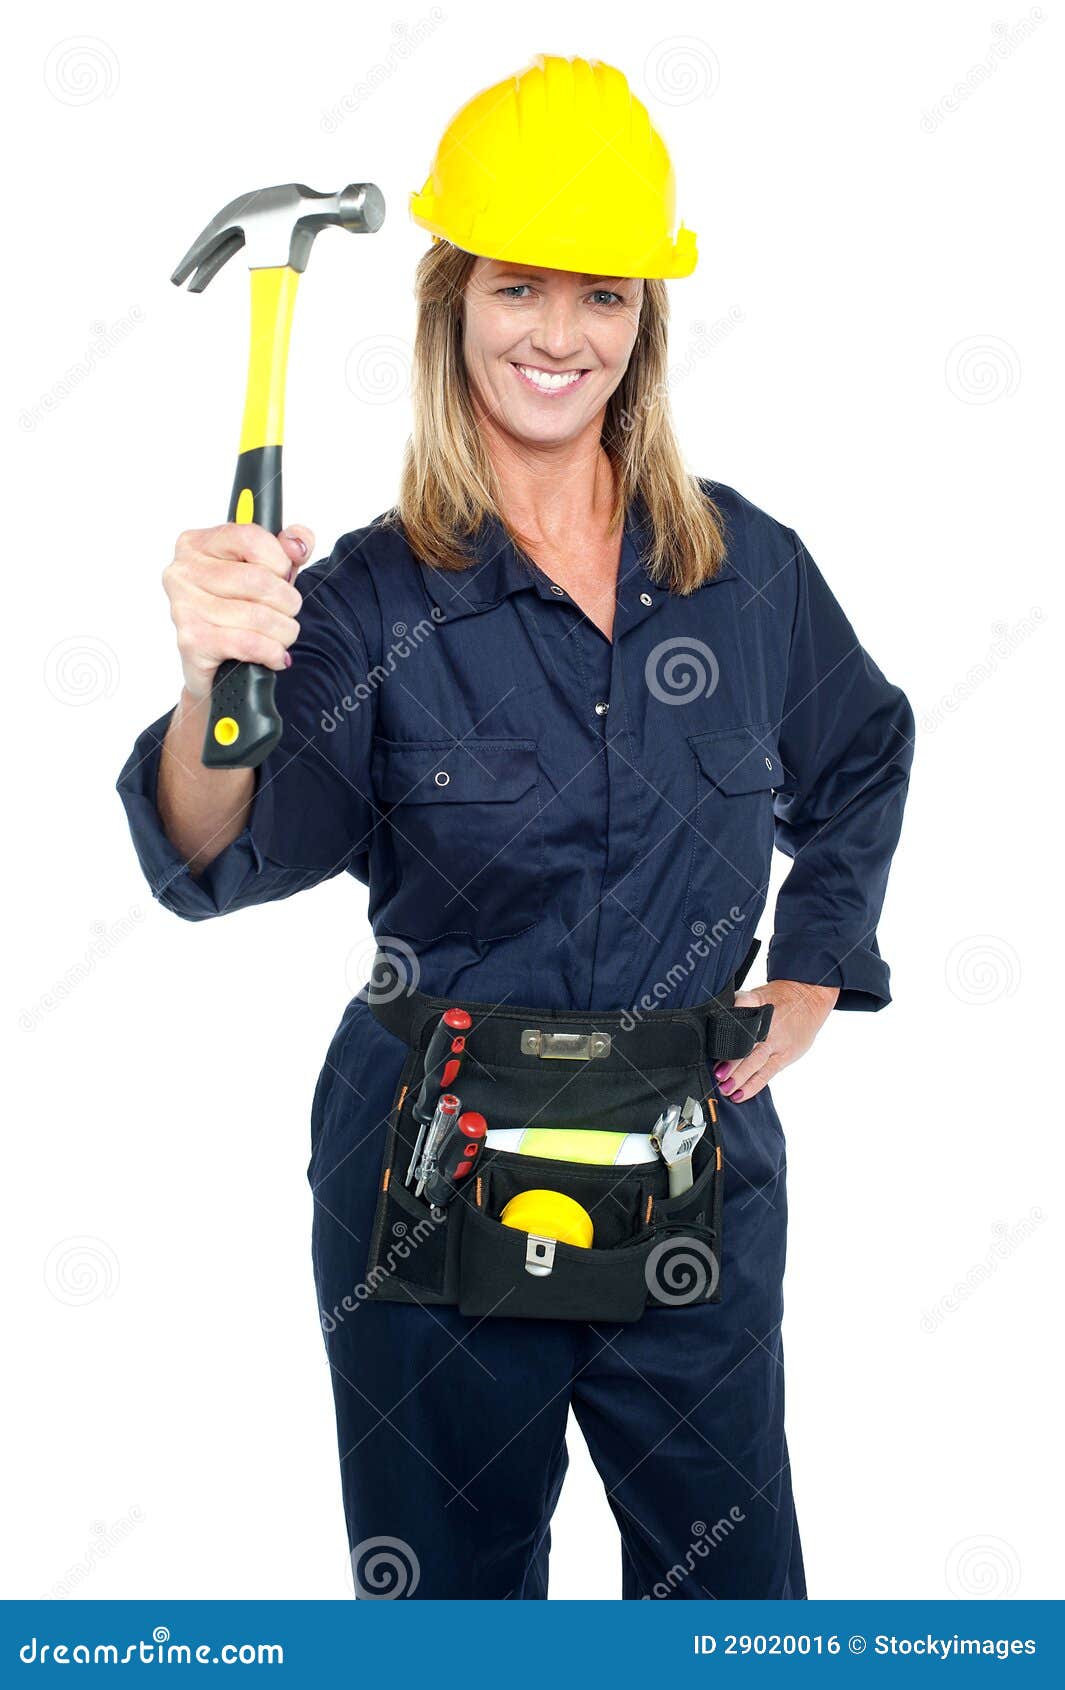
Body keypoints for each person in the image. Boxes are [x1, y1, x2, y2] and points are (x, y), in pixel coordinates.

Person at [117, 54, 913, 1600]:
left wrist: (814, 965)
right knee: (454, 1621)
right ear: (450, 304)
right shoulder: (358, 600)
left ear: (645, 321)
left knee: (731, 1611)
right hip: (429, 1161)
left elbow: (863, 749)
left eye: (602, 295)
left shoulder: (746, 570)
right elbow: (216, 851)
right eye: (518, 288)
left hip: (693, 1154)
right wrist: (211, 672)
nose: (560, 334)